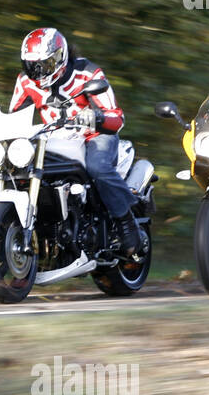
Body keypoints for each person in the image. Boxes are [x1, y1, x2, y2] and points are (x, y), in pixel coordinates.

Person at [8, 27, 145, 257]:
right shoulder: (25, 81)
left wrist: (96, 117)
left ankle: (126, 222)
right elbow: (15, 116)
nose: (38, 72)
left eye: (44, 64)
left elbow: (116, 117)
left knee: (98, 168)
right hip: (53, 139)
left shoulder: (87, 73)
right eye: (31, 65)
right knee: (17, 166)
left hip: (95, 136)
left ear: (60, 57)